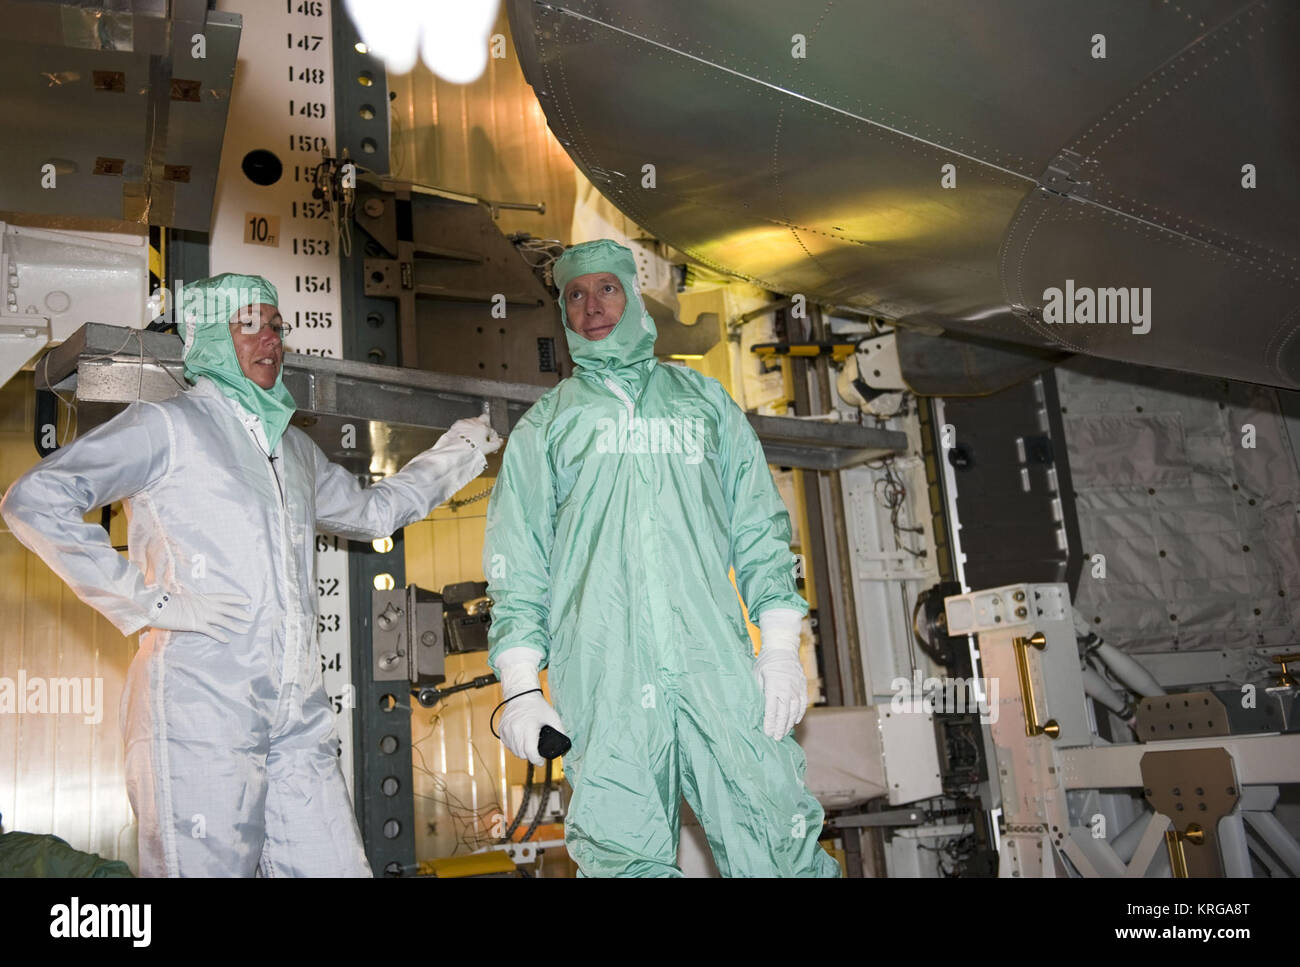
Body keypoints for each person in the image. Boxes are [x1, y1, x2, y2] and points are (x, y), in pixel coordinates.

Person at [1, 273, 501, 877]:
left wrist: (464, 449)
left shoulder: (291, 450)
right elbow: (35, 500)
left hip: (296, 714)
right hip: (199, 710)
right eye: (249, 325)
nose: (271, 339)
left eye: (276, 325)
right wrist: (152, 604)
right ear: (211, 335)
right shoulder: (168, 427)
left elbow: (374, 512)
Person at [484, 240, 840, 877]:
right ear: (563, 312)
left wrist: (782, 647)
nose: (592, 306)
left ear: (633, 295)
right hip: (602, 674)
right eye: (575, 295)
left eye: (608, 289)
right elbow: (519, 563)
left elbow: (760, 527)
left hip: (713, 663)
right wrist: (518, 689)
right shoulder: (546, 427)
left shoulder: (703, 404)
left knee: (774, 831)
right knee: (623, 855)